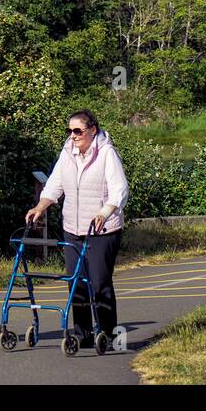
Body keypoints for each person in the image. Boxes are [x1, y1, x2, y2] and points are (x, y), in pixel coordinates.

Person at [24, 109, 129, 347]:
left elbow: (119, 190)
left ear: (92, 130)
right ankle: (82, 335)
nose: (73, 135)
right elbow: (54, 185)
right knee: (76, 282)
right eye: (69, 130)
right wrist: (40, 207)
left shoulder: (107, 154)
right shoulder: (68, 153)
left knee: (100, 282)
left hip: (103, 230)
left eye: (78, 130)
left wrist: (104, 212)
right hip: (73, 228)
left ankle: (108, 334)